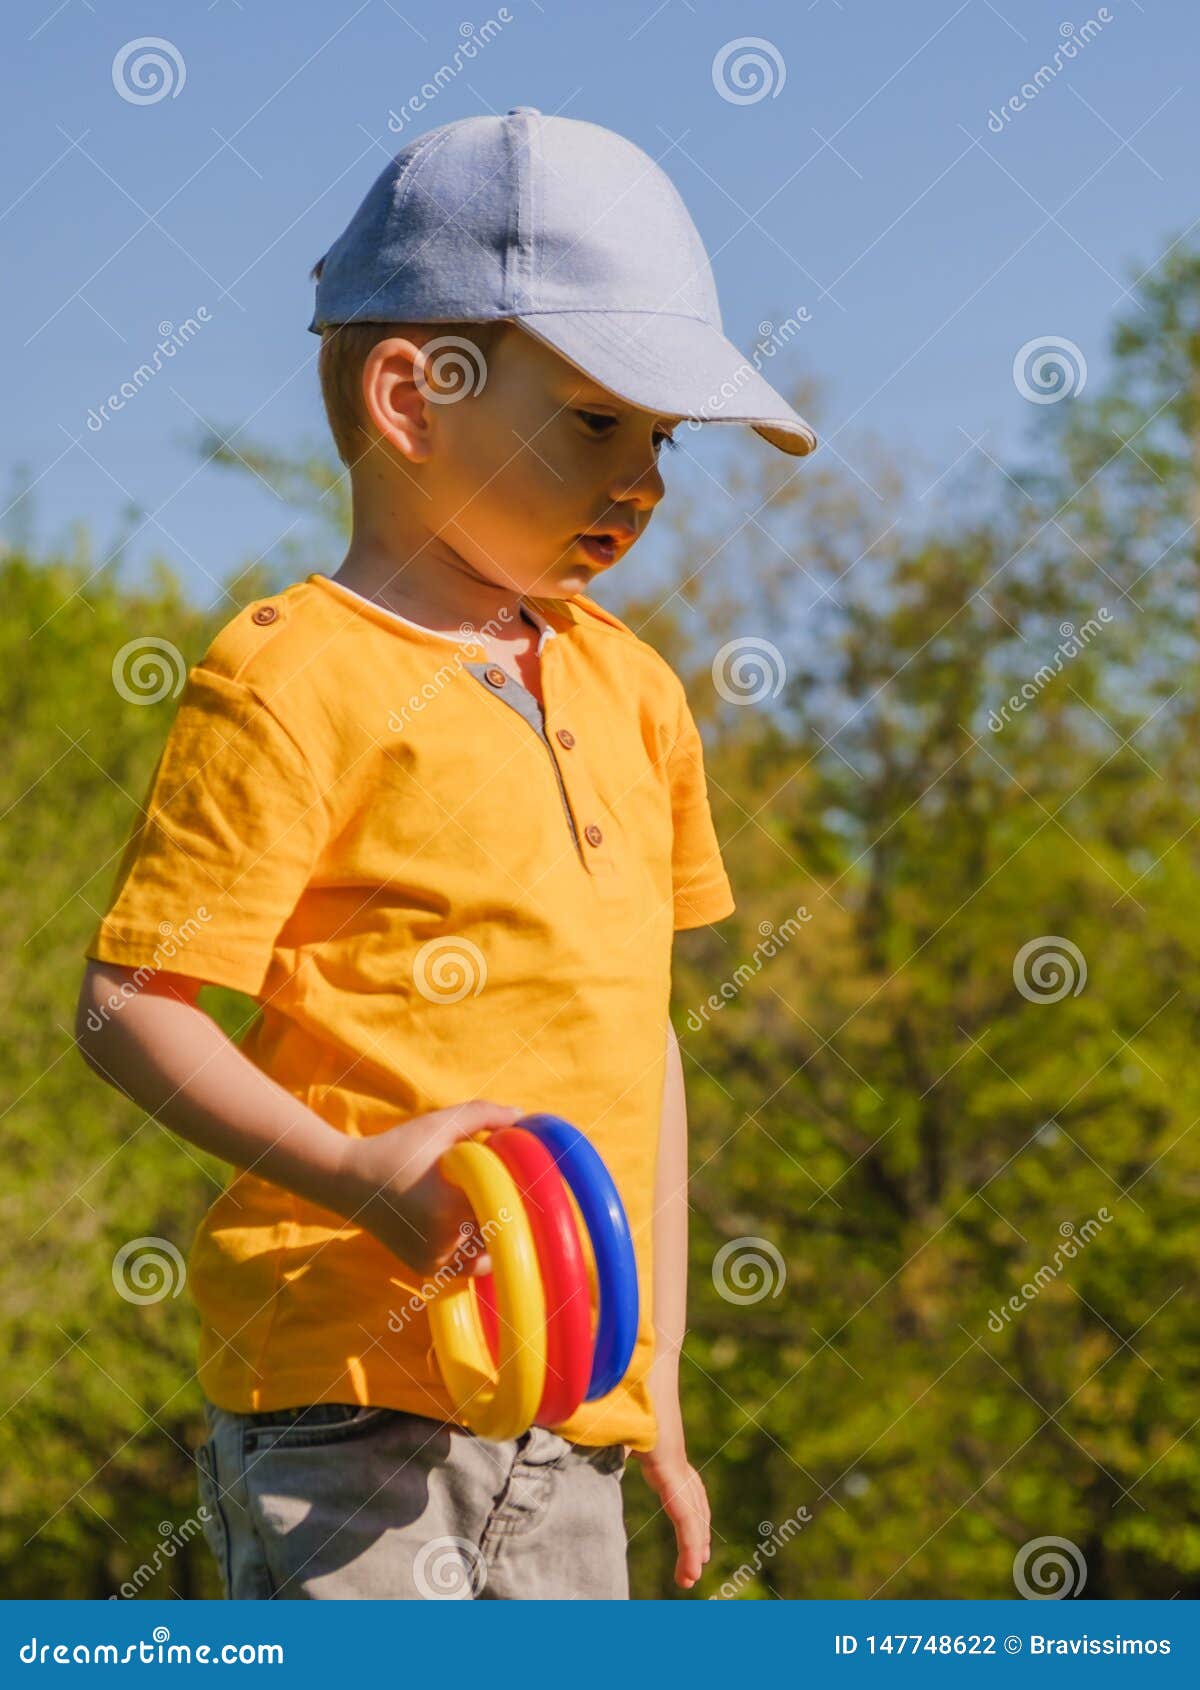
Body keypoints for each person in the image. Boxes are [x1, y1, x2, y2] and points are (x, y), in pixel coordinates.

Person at [75, 106, 817, 1600]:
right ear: (416, 396)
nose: (648, 480)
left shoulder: (638, 691)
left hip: (573, 1415)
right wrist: (358, 1173)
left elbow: (642, 1050)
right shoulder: (292, 673)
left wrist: (655, 1383)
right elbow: (130, 1007)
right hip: (345, 1405)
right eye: (598, 421)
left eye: (659, 439)